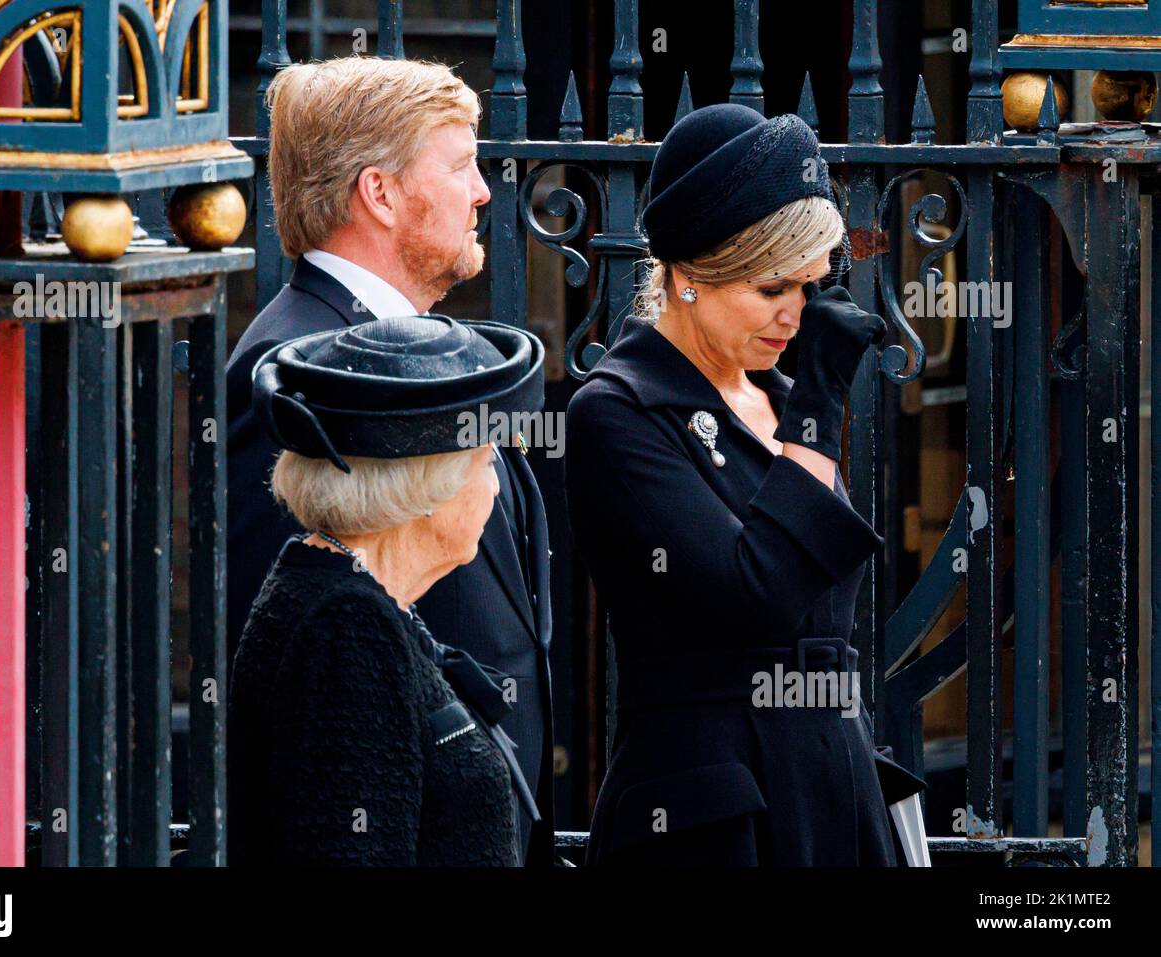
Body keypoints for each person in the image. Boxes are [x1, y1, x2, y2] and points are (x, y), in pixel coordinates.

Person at [565, 104, 926, 866]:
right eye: (770, 291)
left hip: (833, 790)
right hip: (716, 816)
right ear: (690, 277)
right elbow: (753, 594)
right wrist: (820, 410)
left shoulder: (775, 394)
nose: (795, 314)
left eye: (810, 284)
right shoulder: (617, 409)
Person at [225, 56, 555, 865]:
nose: (483, 191)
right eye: (460, 166)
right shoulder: (291, 364)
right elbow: (311, 639)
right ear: (379, 192)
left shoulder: (412, 353)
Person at [229, 314, 545, 866]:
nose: (495, 485)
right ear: (427, 488)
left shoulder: (361, 599)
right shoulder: (345, 628)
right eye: (485, 461)